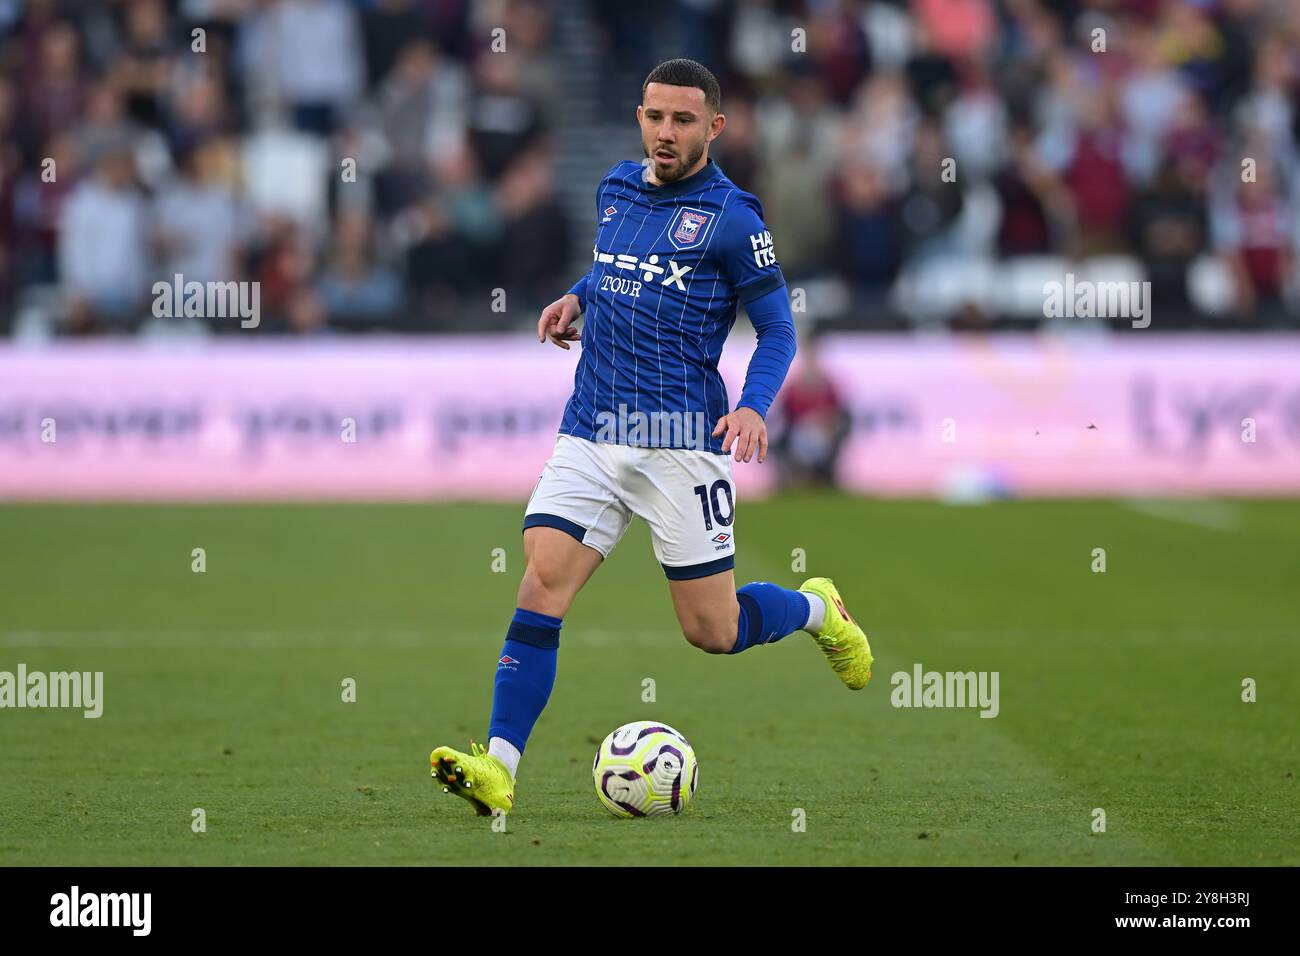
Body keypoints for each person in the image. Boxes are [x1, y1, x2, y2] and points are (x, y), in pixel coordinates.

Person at [429, 59, 874, 817]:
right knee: (540, 582)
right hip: (594, 426)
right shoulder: (615, 188)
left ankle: (816, 611)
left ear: (715, 128)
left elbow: (776, 331)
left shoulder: (735, 219)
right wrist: (576, 296)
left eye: (683, 121)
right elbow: (616, 269)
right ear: (639, 117)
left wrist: (757, 406)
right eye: (656, 117)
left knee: (713, 629)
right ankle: (498, 767)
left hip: (679, 440)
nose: (666, 133)